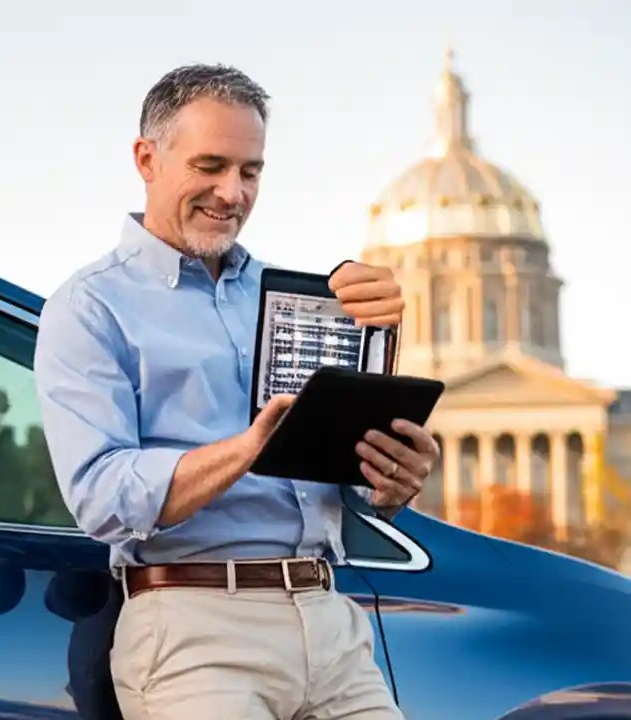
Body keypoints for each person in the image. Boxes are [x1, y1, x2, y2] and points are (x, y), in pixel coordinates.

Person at [34, 63, 440, 720]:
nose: (232, 192)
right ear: (147, 158)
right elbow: (102, 498)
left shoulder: (304, 301)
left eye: (250, 172)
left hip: (328, 622)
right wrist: (245, 449)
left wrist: (389, 478)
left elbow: (340, 481)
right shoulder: (90, 309)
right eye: (211, 166)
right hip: (195, 635)